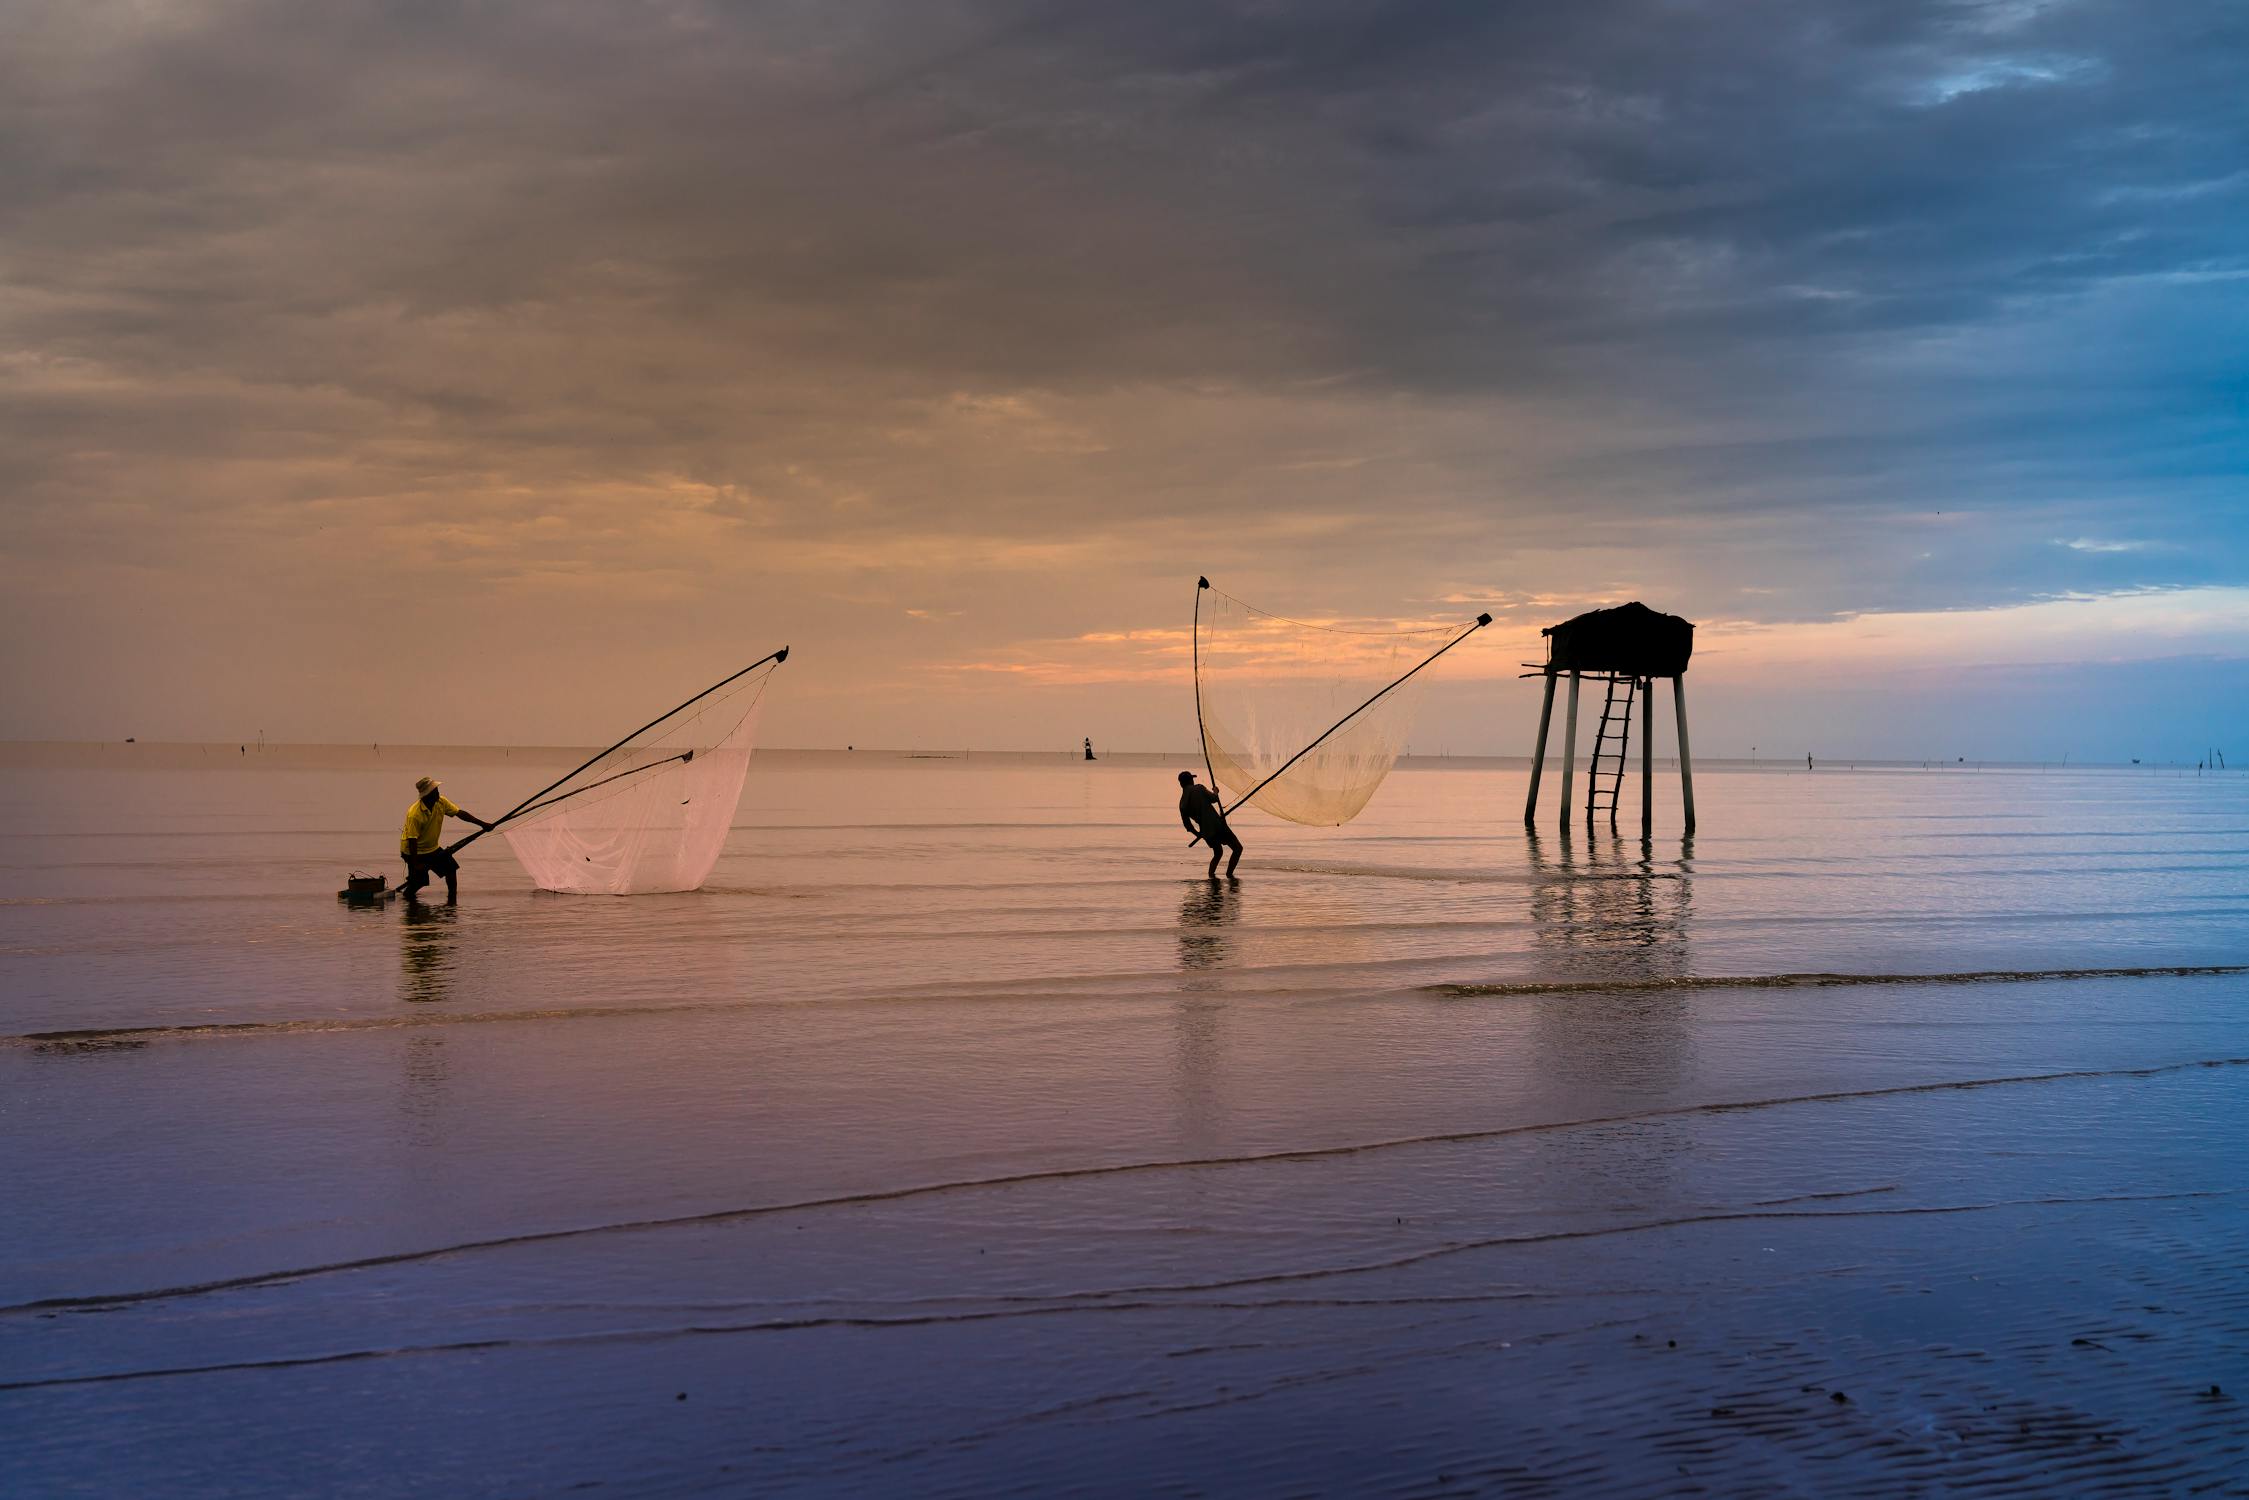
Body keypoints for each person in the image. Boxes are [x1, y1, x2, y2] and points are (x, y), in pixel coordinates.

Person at [400, 776, 492, 903]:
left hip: (432, 848)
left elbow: (460, 813)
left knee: (450, 869)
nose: (438, 792)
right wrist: (416, 864)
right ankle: (407, 902)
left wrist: (482, 824)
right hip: (413, 851)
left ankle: (451, 903)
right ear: (427, 795)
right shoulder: (415, 814)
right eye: (434, 791)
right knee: (419, 881)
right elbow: (412, 840)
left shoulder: (441, 802)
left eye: (436, 789)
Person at [1178, 770, 1242, 879]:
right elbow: (1214, 799)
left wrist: (1198, 834)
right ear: (1190, 780)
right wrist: (1216, 791)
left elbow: (1188, 826)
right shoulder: (1199, 788)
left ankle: (1211, 877)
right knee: (1237, 849)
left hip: (1207, 832)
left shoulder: (1182, 803)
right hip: (1218, 826)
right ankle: (1229, 875)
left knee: (1218, 853)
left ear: (1181, 784)